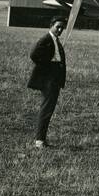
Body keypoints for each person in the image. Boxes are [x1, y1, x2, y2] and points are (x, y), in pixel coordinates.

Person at [27, 15, 67, 148]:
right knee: (46, 109)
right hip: (49, 78)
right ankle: (39, 140)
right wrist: (47, 67)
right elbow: (34, 55)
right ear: (51, 26)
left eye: (62, 27)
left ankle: (41, 139)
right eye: (58, 27)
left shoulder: (54, 39)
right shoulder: (46, 39)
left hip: (54, 78)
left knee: (48, 109)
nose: (60, 30)